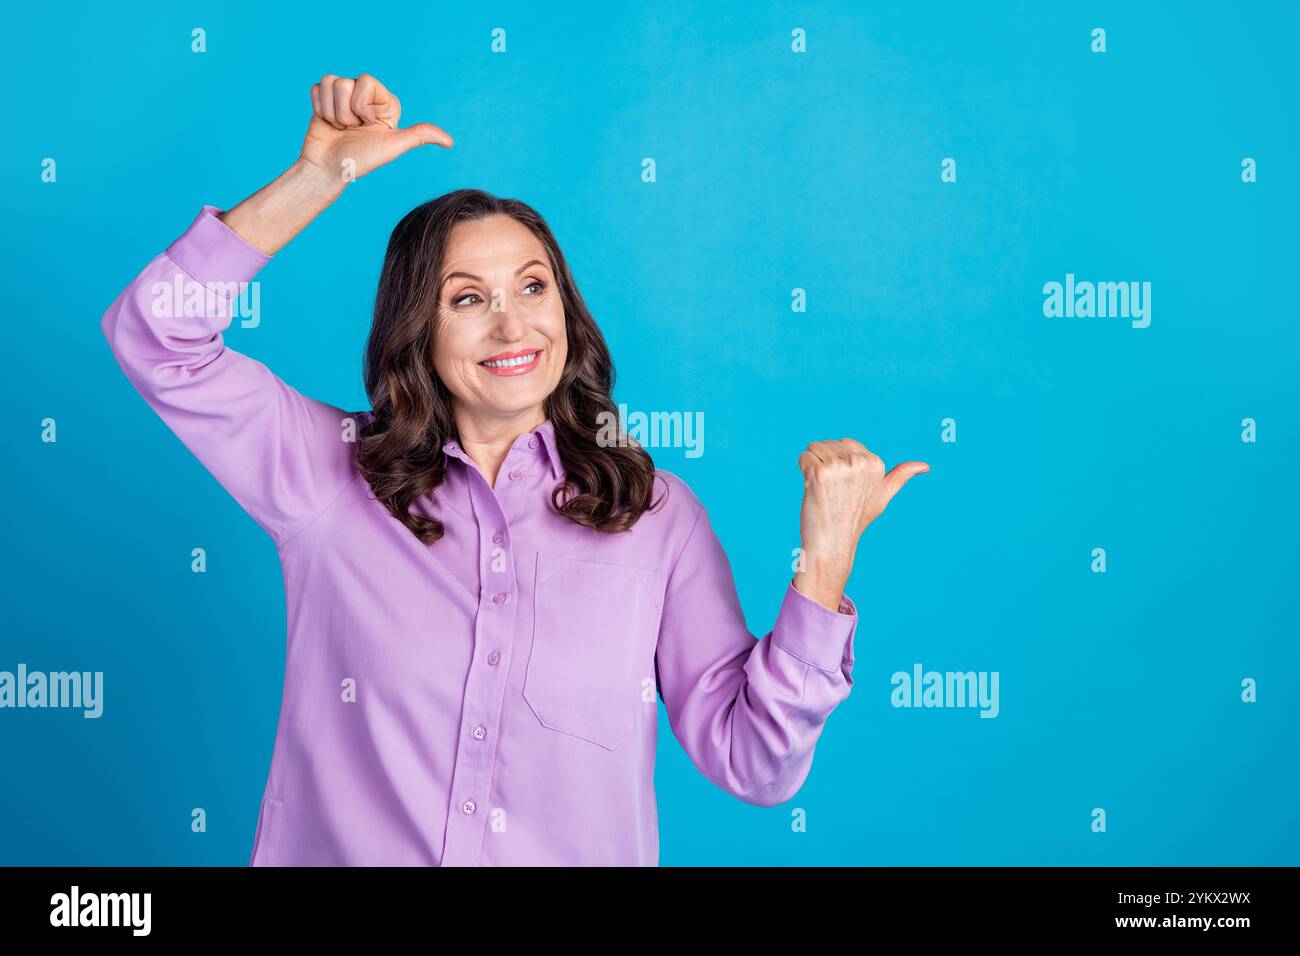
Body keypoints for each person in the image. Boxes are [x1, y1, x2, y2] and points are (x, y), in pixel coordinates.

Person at [99, 72, 930, 866]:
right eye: (467, 298)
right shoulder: (327, 473)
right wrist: (318, 177)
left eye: (533, 288)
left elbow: (754, 763)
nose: (512, 326)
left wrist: (823, 569)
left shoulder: (655, 516)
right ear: (416, 332)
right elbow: (154, 337)